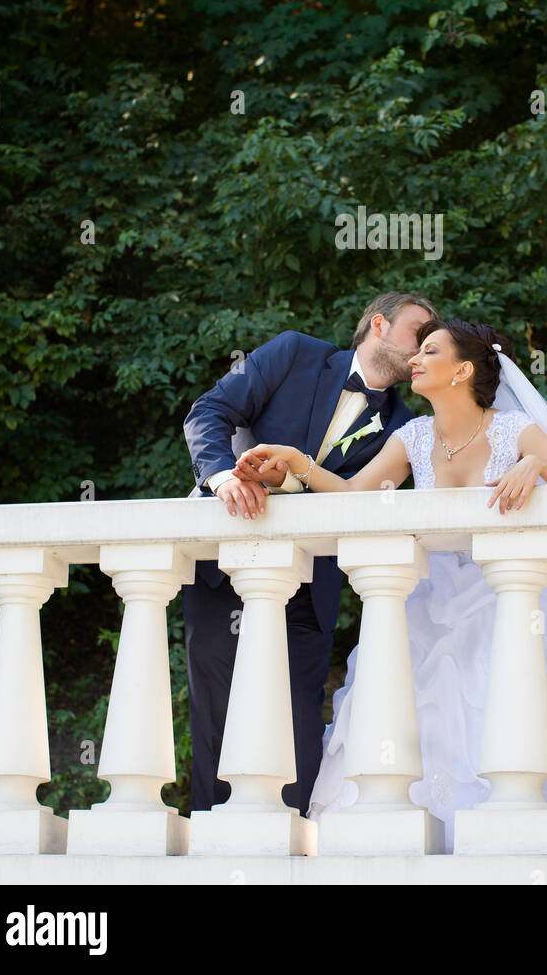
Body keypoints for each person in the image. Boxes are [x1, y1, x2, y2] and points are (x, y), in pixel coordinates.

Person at [238, 318, 547, 852]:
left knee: (509, 713)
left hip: (507, 601)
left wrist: (535, 464)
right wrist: (298, 463)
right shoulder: (413, 436)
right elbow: (359, 494)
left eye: (429, 351)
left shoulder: (512, 429)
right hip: (430, 605)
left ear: (463, 370)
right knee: (420, 719)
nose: (414, 360)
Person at [181, 290, 439, 816]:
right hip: (226, 563)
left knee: (299, 716)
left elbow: (364, 506)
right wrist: (221, 475)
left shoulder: (404, 428)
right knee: (216, 709)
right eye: (418, 334)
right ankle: (209, 839)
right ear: (380, 326)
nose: (422, 351)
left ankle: (294, 843)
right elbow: (208, 411)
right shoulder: (294, 352)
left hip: (311, 583)